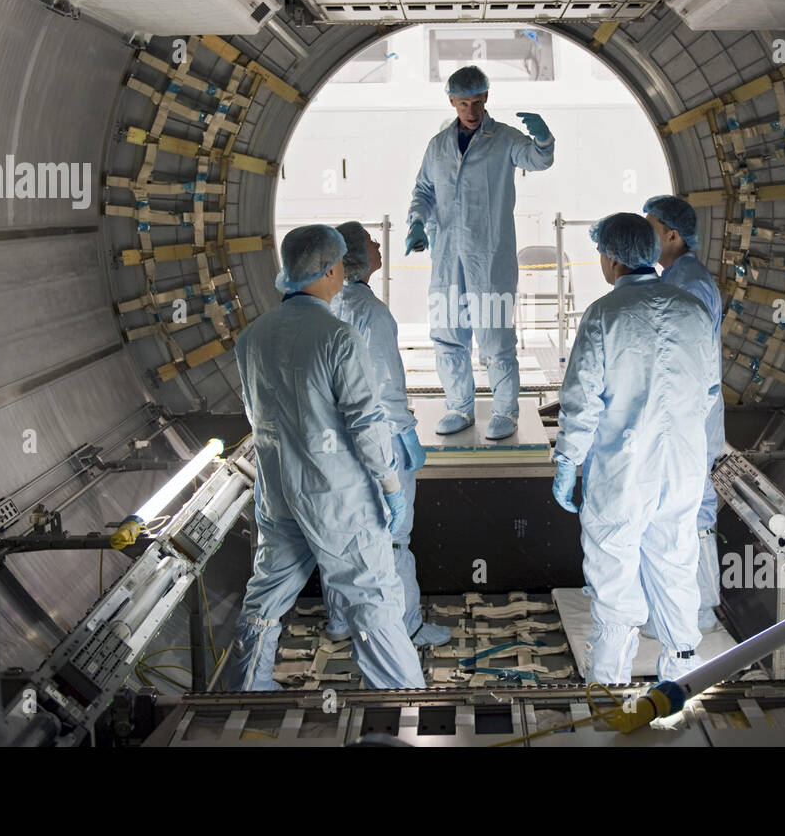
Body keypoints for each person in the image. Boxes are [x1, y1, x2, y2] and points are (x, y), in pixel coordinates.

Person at [227, 225, 425, 691]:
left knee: (265, 599)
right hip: (339, 498)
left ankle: (246, 693)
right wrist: (392, 487)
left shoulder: (251, 338)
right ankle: (406, 707)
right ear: (333, 269)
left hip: (278, 493)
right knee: (373, 605)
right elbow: (367, 424)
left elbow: (257, 416)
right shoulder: (337, 336)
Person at [551, 213, 720, 684]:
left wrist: (567, 461)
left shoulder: (605, 315)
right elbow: (709, 390)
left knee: (614, 570)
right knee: (674, 563)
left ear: (610, 259)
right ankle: (682, 678)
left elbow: (581, 402)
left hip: (624, 473)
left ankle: (609, 684)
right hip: (683, 470)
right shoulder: (692, 310)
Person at [405, 64, 555, 441]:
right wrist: (417, 223)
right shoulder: (437, 147)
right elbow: (424, 191)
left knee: (495, 338)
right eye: (462, 104)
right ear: (452, 102)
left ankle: (505, 411)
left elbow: (537, 160)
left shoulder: (504, 138)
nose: (470, 111)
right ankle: (458, 406)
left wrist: (543, 140)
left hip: (490, 258)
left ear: (486, 98)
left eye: (476, 102)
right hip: (445, 259)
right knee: (447, 335)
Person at [323, 221, 452, 647]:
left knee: (345, 536)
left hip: (337, 443)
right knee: (394, 538)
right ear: (356, 258)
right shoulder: (371, 314)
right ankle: (408, 625)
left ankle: (341, 621)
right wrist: (407, 433)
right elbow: (383, 388)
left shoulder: (327, 306)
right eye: (371, 241)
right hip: (380, 440)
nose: (379, 244)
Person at [643, 195, 725, 632]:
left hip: (689, 419)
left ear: (672, 235)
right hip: (682, 417)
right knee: (679, 509)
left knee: (690, 512)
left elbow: (688, 365)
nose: (645, 236)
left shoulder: (688, 286)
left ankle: (697, 609)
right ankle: (682, 607)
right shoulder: (676, 277)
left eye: (650, 228)